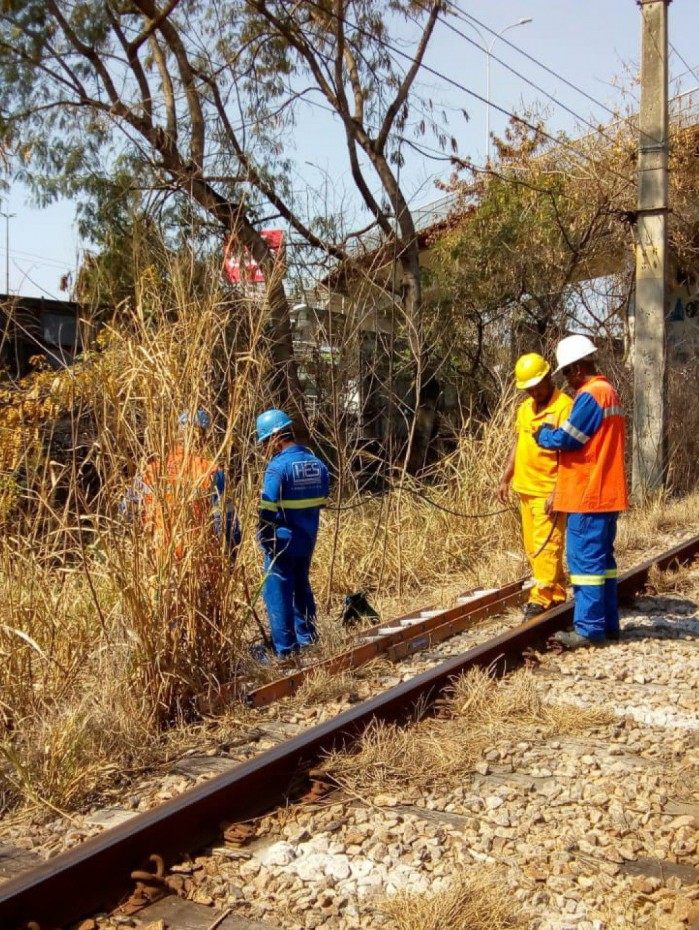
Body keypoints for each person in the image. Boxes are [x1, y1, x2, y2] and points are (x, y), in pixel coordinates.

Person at [534, 335, 628, 648]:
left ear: (576, 369)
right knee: (602, 563)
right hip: (606, 492)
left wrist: (545, 434)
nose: (567, 383)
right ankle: (608, 624)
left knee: (585, 564)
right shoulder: (609, 392)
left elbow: (570, 439)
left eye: (566, 374)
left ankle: (588, 629)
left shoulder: (591, 395)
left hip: (588, 494)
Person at [498, 352, 573, 619]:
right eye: (528, 388)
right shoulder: (524, 409)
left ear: (548, 376)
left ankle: (540, 597)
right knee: (534, 547)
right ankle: (555, 593)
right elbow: (519, 444)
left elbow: (570, 453)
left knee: (547, 546)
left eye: (537, 385)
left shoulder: (564, 406)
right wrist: (507, 477)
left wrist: (558, 490)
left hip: (548, 489)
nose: (533, 391)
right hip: (525, 488)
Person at [255, 408, 330, 659]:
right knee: (301, 586)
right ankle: (307, 638)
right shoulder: (317, 463)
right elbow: (321, 500)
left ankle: (285, 650)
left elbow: (267, 510)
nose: (266, 447)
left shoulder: (277, 468)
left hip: (281, 542)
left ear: (275, 437)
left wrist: (264, 537)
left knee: (277, 592)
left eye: (265, 441)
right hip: (307, 539)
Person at [123, 409, 239, 561]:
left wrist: (140, 546)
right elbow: (224, 521)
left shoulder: (151, 470)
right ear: (203, 437)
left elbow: (126, 510)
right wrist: (232, 555)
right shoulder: (211, 471)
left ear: (178, 434)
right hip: (199, 562)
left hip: (157, 561)